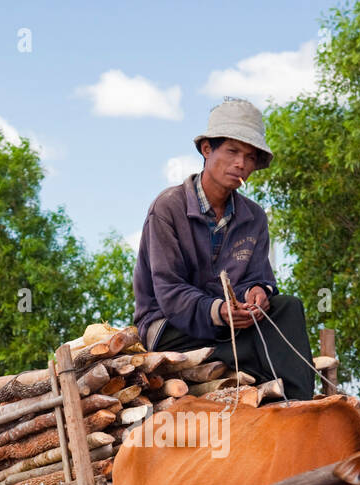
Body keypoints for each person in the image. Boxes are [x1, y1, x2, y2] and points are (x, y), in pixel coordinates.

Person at [133, 97, 315, 400]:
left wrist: (256, 293)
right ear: (207, 149)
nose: (241, 163)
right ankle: (267, 370)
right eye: (232, 151)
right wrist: (218, 311)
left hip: (231, 328)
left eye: (250, 156)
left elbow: (258, 276)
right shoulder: (168, 208)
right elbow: (169, 292)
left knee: (288, 308)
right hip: (173, 328)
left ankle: (298, 406)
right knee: (268, 349)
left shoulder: (253, 217)